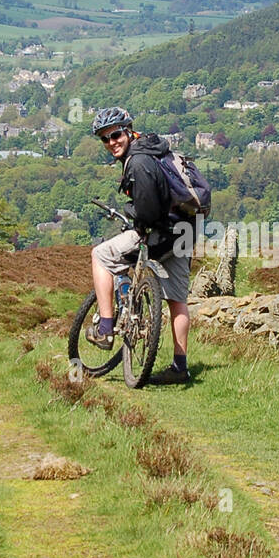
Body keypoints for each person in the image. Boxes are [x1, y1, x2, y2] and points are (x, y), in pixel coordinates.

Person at [86, 106, 193, 385]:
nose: (112, 143)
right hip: (183, 231)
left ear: (128, 130)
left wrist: (131, 212)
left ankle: (106, 328)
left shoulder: (138, 162)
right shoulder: (156, 149)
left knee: (100, 255)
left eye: (116, 135)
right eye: (105, 139)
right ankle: (180, 368)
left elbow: (147, 213)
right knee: (177, 300)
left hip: (158, 231)